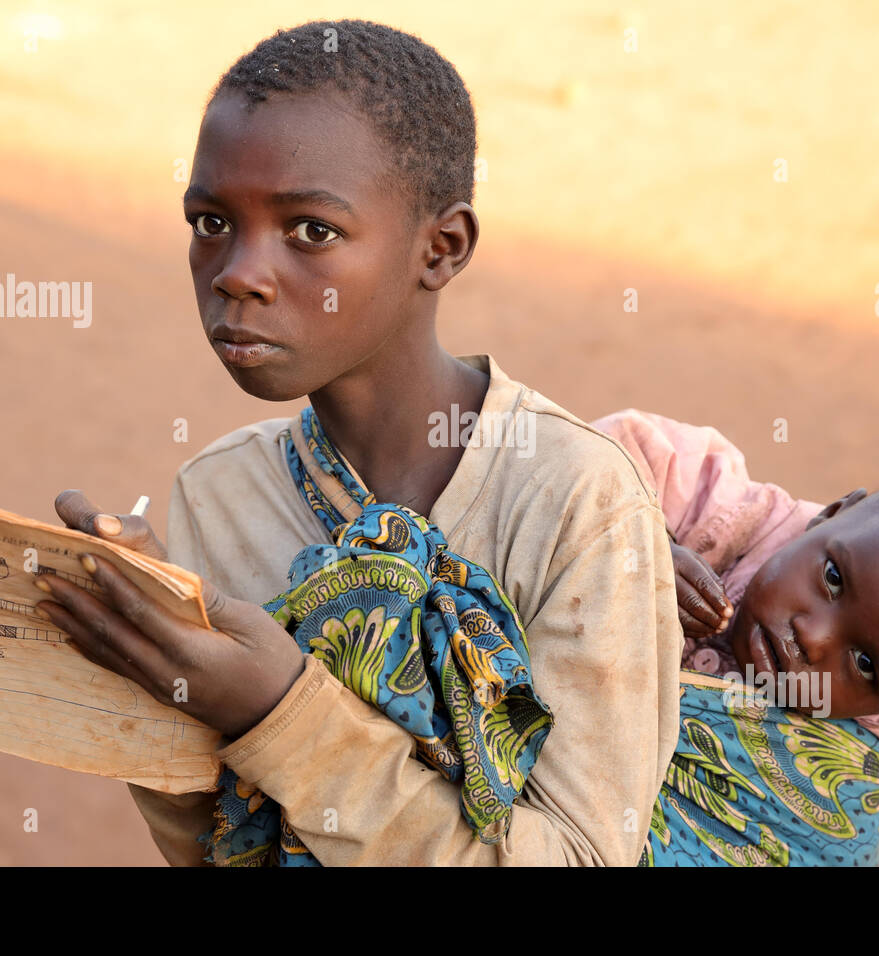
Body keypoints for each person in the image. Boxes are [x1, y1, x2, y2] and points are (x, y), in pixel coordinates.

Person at [33, 20, 683, 866]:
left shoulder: (573, 499)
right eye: (211, 221)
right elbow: (210, 848)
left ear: (440, 248)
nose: (237, 271)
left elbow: (583, 855)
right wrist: (148, 676)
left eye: (310, 230)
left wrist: (281, 713)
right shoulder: (219, 493)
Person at [593, 410, 879, 865]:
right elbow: (582, 458)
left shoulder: (843, 772)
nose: (812, 638)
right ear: (833, 514)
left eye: (864, 665)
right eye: (834, 578)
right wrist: (638, 539)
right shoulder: (720, 507)